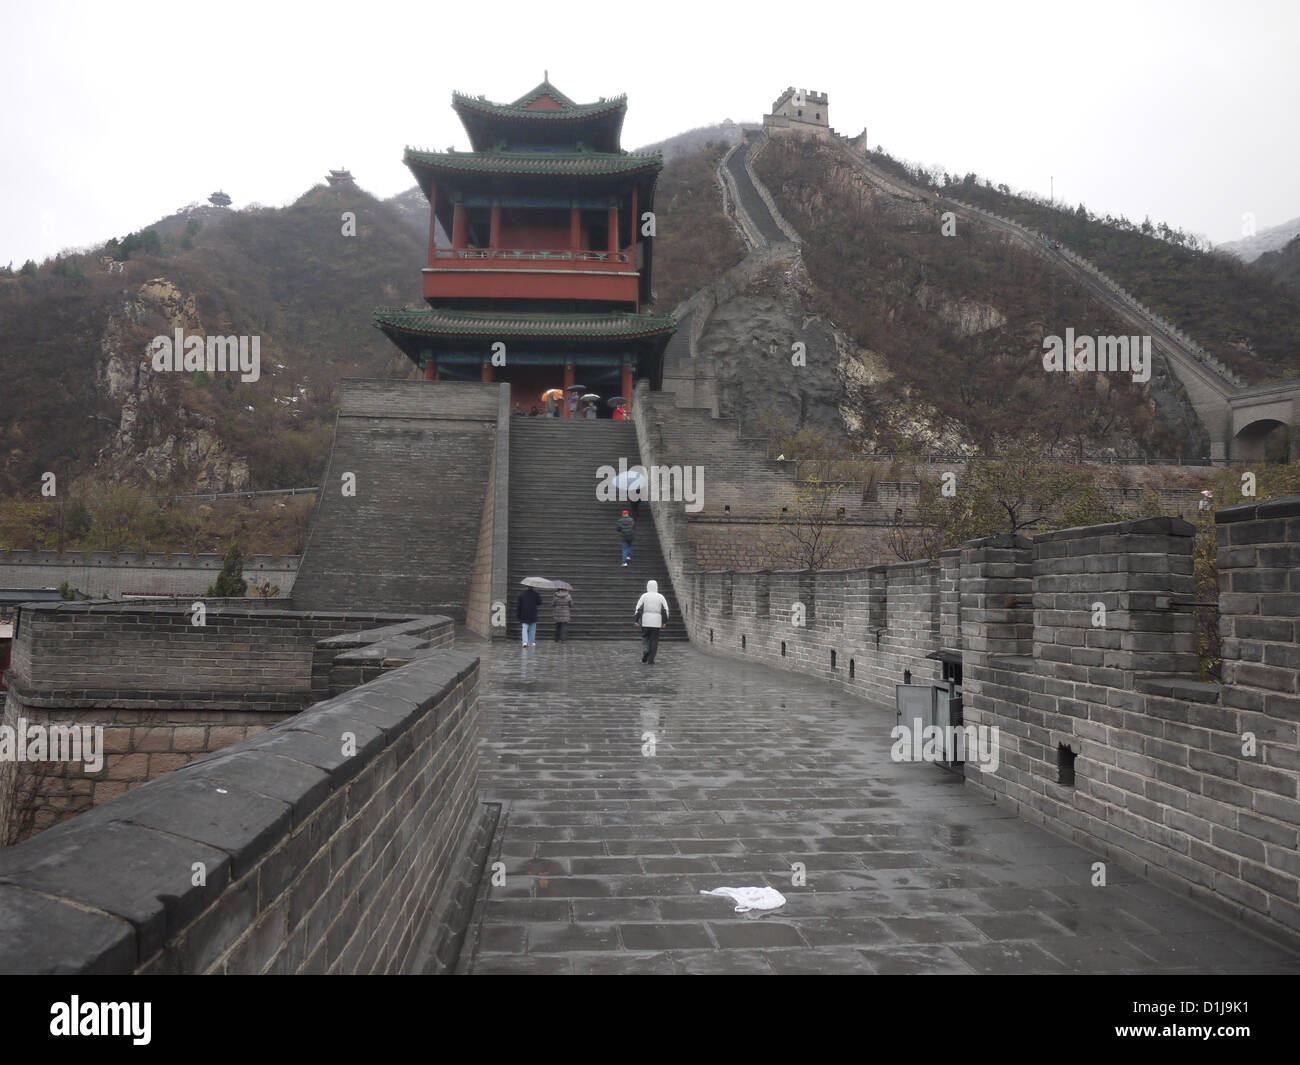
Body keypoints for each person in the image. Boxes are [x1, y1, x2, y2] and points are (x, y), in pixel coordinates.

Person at [634, 579, 670, 665]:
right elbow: (665, 609)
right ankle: (651, 659)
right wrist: (665, 621)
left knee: (645, 637)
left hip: (646, 620)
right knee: (654, 640)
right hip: (656, 622)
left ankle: (645, 649)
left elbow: (638, 607)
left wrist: (636, 619)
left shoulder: (644, 596)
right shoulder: (660, 596)